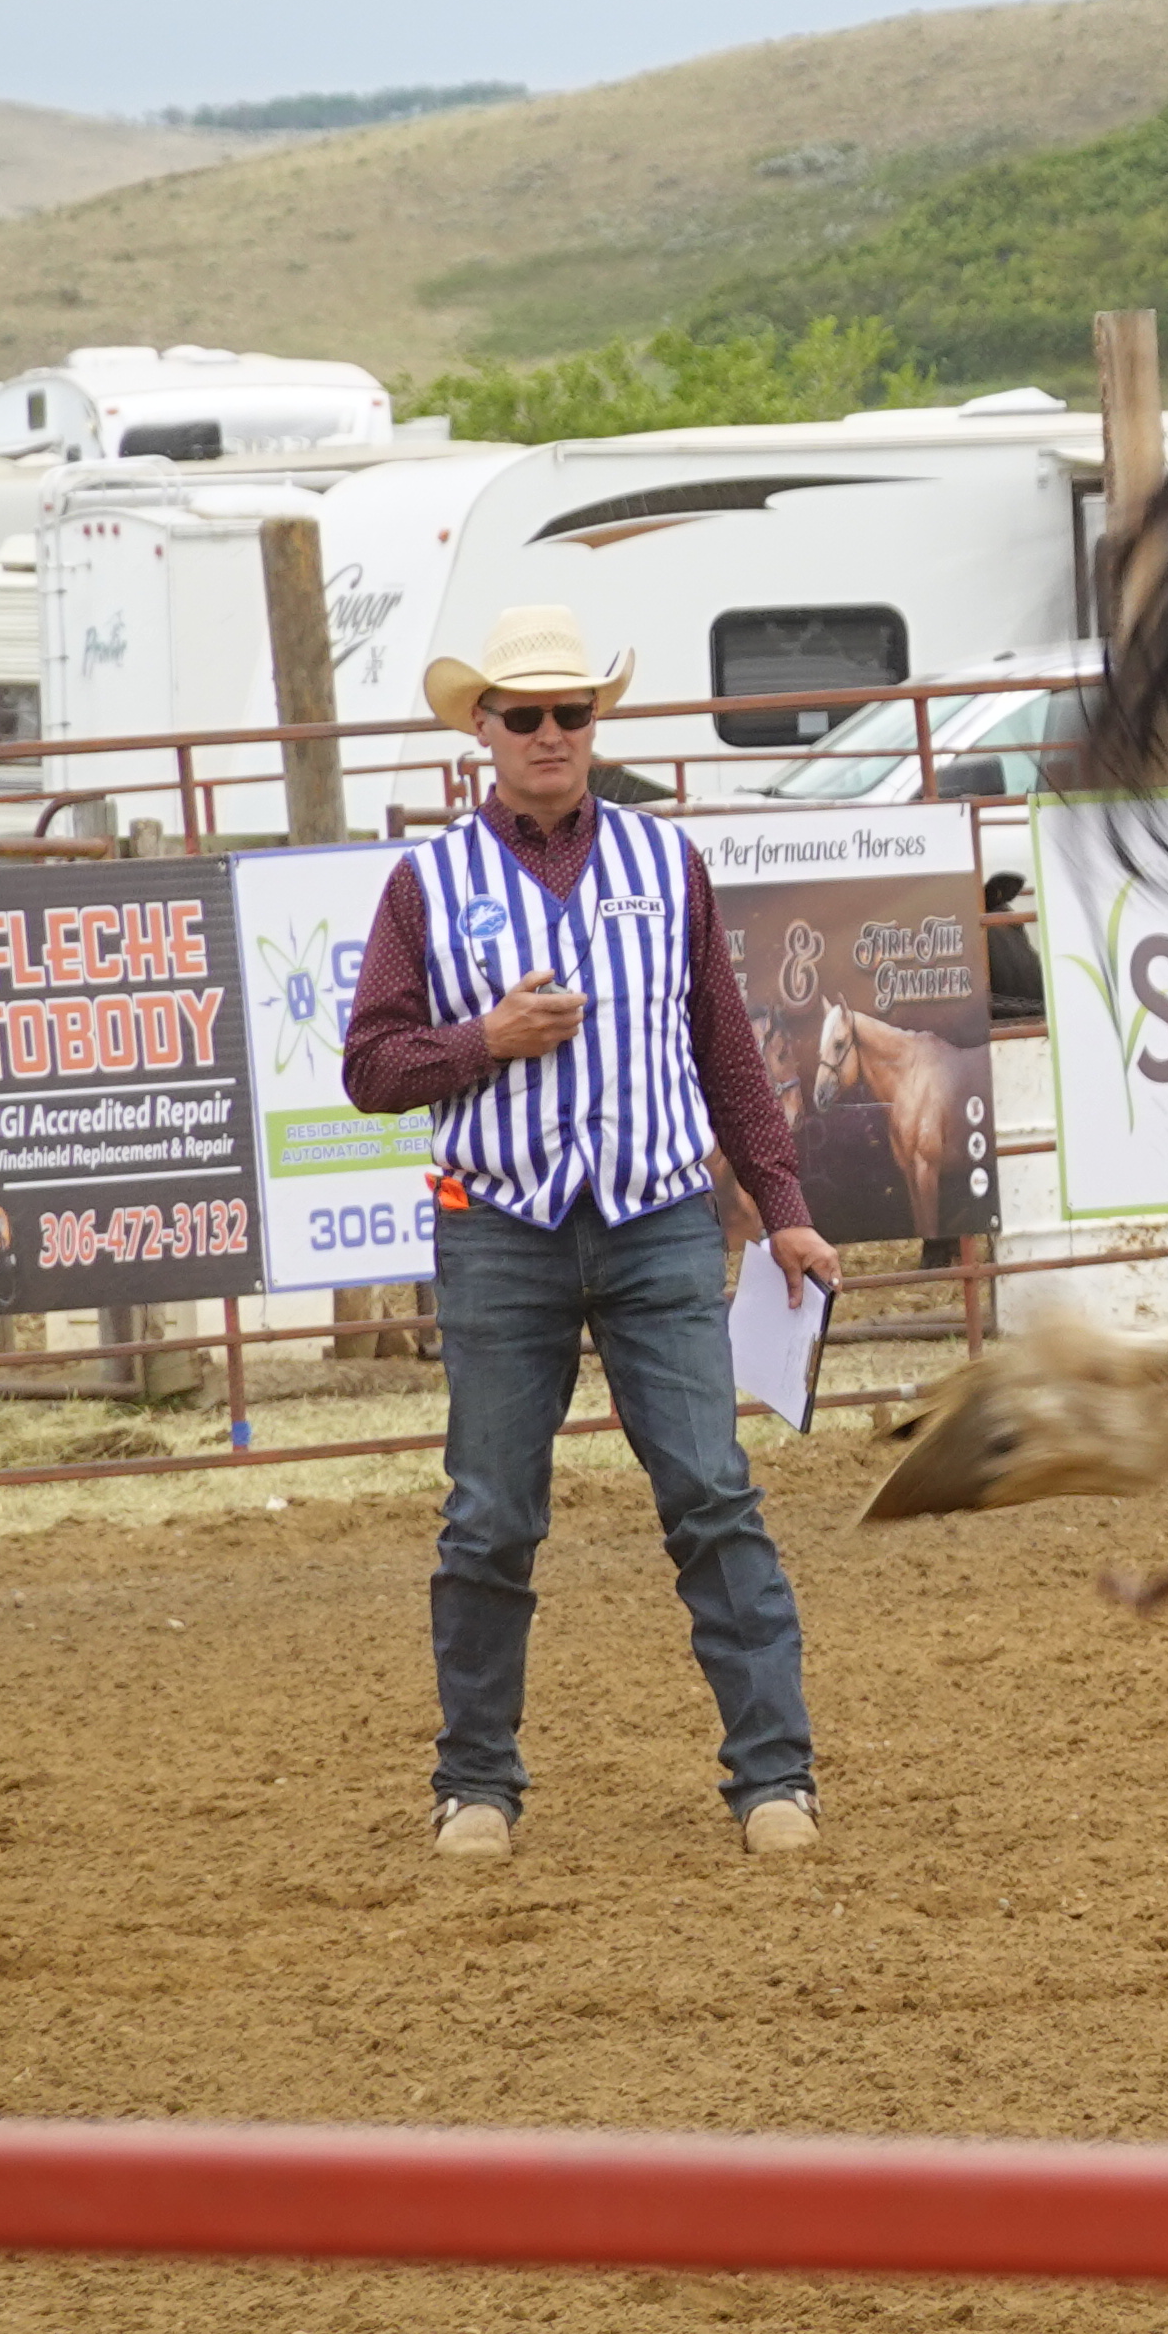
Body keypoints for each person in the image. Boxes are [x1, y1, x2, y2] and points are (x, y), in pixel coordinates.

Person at [340, 606, 843, 1856]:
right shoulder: (426, 884)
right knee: (492, 1516)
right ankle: (475, 1786)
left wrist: (781, 1209)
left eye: (572, 712)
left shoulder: (665, 867)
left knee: (712, 1491)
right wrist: (482, 1043)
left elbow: (726, 1049)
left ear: (594, 724)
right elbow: (369, 1065)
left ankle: (776, 1779)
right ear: (482, 729)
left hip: (659, 1217)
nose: (552, 733)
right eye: (526, 714)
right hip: (500, 1225)